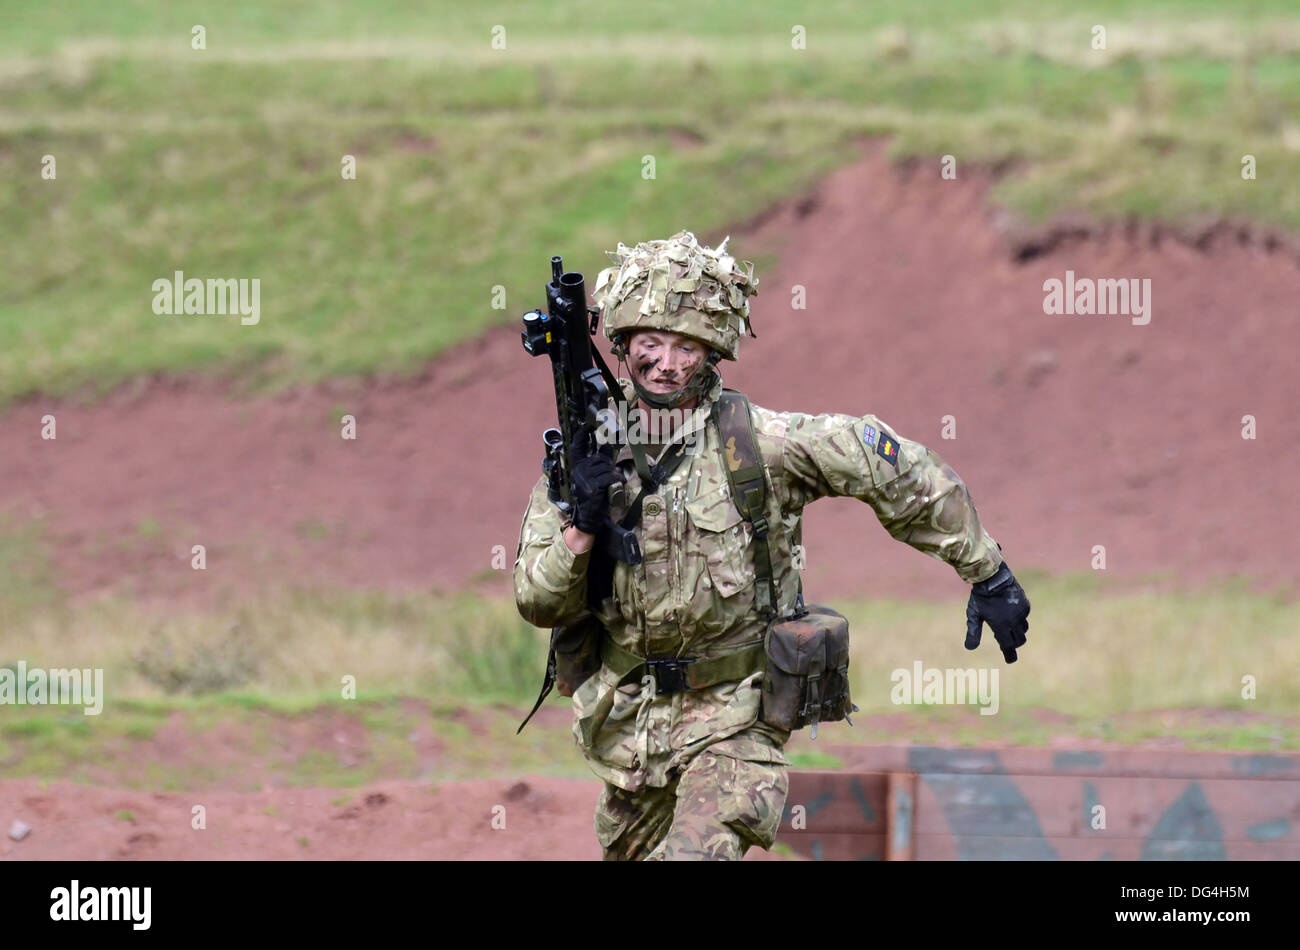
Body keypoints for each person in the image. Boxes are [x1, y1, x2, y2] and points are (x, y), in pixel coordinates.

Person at [514, 230, 1030, 860]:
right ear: (621, 344)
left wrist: (987, 571)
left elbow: (885, 463)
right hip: (628, 733)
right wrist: (583, 525)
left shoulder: (757, 445)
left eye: (688, 347)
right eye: (651, 343)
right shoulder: (585, 457)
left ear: (715, 354)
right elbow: (537, 601)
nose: (667, 363)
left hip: (739, 718)